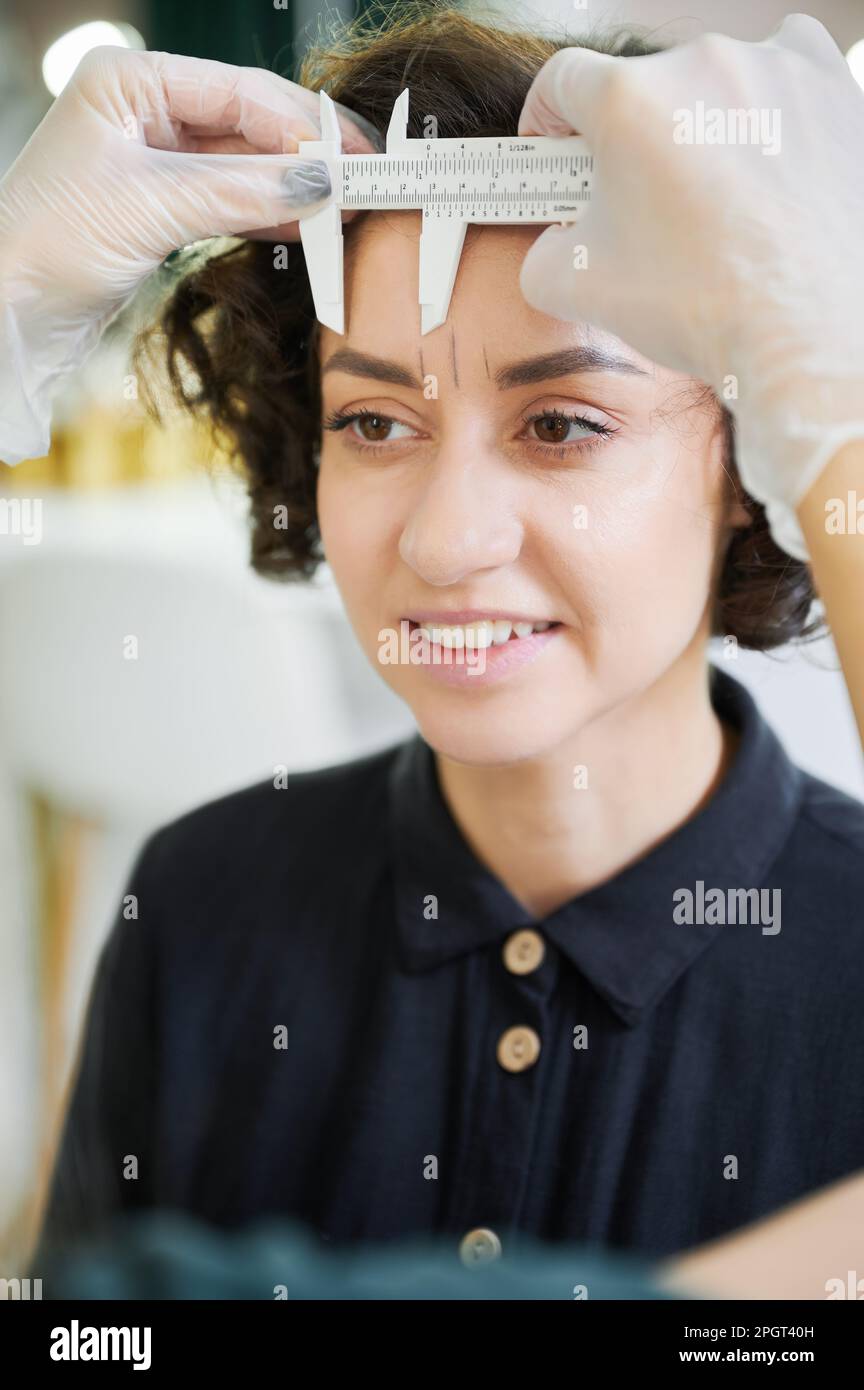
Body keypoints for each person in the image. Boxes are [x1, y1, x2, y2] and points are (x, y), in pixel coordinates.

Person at [5, 5, 864, 1293]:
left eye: (563, 423)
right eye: (374, 423)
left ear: (751, 456)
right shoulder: (195, 908)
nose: (448, 540)